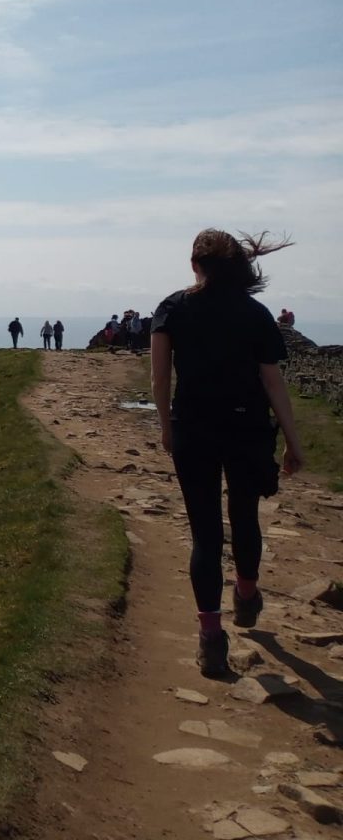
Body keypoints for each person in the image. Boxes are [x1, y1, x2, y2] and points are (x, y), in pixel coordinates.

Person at [151, 229, 304, 678]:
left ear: (195, 265)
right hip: (246, 428)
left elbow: (160, 378)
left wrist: (166, 426)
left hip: (193, 428)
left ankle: (211, 637)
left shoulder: (173, 308)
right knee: (244, 516)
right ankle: (247, 593)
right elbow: (272, 381)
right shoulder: (254, 312)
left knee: (205, 534)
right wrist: (293, 441)